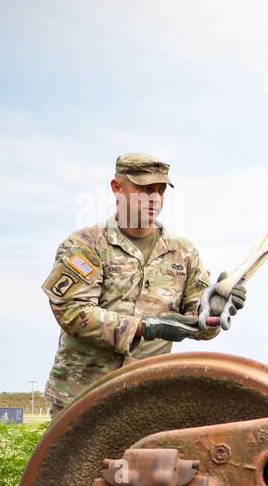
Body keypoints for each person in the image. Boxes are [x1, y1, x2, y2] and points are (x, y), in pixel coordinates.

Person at [41, 152, 246, 419]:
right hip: (83, 396)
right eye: (144, 189)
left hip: (147, 399)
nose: (154, 198)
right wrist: (146, 327)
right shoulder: (84, 246)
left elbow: (199, 324)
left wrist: (216, 309)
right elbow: (74, 314)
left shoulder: (182, 252)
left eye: (160, 191)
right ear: (117, 188)